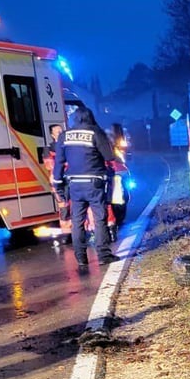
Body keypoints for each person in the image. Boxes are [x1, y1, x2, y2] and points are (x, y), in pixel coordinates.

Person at [54, 107, 118, 270]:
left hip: (74, 184)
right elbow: (109, 156)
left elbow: (59, 162)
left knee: (77, 220)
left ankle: (81, 258)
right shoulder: (95, 132)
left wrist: (57, 182)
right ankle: (103, 255)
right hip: (94, 182)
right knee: (99, 218)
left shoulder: (64, 136)